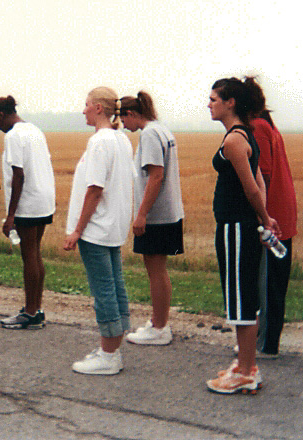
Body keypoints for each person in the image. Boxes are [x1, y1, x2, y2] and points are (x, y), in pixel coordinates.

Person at [204, 77, 279, 395]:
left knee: (240, 300)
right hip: (240, 226)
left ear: (230, 102)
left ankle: (246, 372)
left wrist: (264, 219)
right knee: (242, 296)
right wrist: (265, 220)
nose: (208, 104)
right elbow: (260, 181)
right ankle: (245, 365)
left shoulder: (235, 140)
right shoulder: (243, 134)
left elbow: (251, 188)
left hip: (237, 226)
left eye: (213, 99)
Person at [63, 87, 133, 375]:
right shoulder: (122, 139)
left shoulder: (100, 142)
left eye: (87, 105)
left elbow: (94, 189)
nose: (83, 110)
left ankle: (108, 355)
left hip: (95, 228)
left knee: (103, 289)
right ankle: (112, 348)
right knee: (115, 286)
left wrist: (77, 230)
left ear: (99, 109)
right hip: (113, 226)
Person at [120, 91, 184, 346]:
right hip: (170, 212)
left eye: (123, 119)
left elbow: (156, 176)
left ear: (132, 114)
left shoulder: (148, 135)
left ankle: (159, 328)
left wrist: (141, 215)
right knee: (159, 270)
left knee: (155, 270)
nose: (123, 125)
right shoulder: (162, 130)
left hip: (157, 216)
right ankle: (160, 322)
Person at [0, 95, 56, 330]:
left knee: (29, 255)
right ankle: (36, 308)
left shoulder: (14, 136)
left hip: (28, 202)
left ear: (0, 115)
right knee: (36, 254)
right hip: (44, 199)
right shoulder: (35, 130)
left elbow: (18, 175)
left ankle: (29, 312)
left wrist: (11, 215)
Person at [251, 109, 297, 357]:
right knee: (274, 283)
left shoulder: (257, 127)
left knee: (268, 284)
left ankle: (267, 345)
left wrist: (262, 217)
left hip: (272, 216)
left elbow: (263, 177)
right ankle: (265, 340)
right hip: (281, 212)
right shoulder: (267, 125)